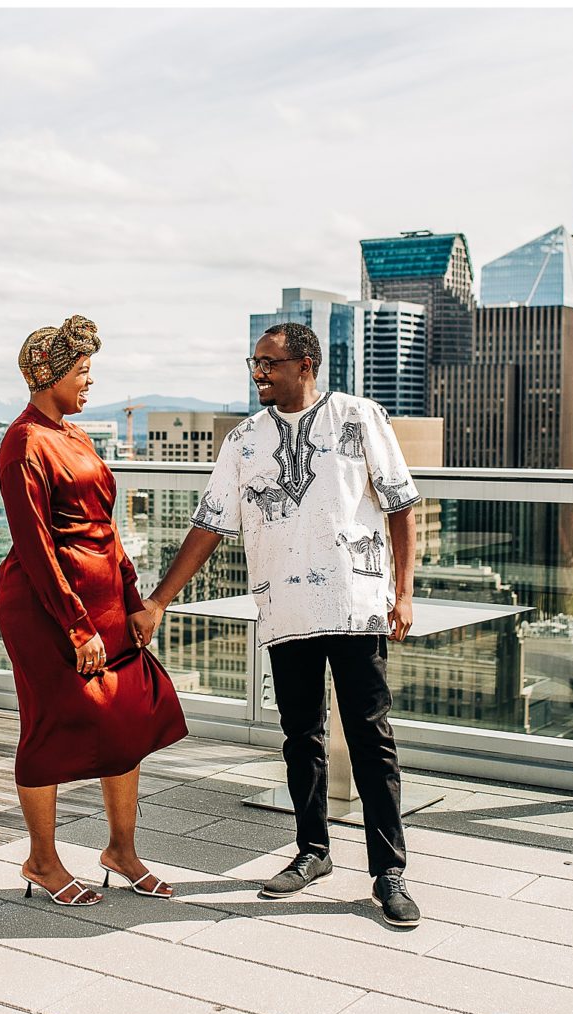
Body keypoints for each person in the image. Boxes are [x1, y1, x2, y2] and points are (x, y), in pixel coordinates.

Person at [134, 322, 423, 927]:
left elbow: (400, 504)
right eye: (254, 363)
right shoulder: (243, 442)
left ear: (306, 363)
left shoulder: (360, 416)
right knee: (300, 737)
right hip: (284, 611)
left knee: (371, 737)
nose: (258, 373)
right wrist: (159, 599)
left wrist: (402, 592)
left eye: (269, 363)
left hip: (355, 605)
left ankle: (387, 871)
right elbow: (209, 526)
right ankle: (311, 852)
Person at [0, 314, 188, 906]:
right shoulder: (23, 444)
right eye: (81, 373)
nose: (89, 383)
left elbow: (107, 531)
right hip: (46, 610)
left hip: (106, 603)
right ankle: (42, 861)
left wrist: (134, 601)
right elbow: (36, 549)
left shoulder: (77, 436)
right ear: (48, 376)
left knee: (127, 723)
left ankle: (121, 851)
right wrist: (77, 627)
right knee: (50, 725)